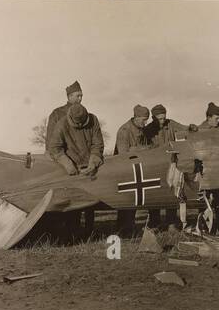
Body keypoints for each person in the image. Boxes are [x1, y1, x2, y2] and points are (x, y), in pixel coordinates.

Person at [47, 102, 104, 238]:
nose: (79, 126)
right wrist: (68, 165)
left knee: (92, 202)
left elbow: (98, 143)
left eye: (82, 123)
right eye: (76, 123)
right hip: (72, 168)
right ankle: (73, 234)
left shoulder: (93, 120)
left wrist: (94, 161)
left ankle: (90, 232)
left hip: (90, 166)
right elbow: (54, 148)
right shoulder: (61, 124)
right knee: (74, 204)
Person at [146, 104, 187, 229]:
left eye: (164, 117)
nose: (162, 121)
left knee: (172, 192)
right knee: (154, 193)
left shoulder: (171, 124)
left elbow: (184, 129)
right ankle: (154, 222)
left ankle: (171, 222)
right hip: (155, 165)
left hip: (171, 164)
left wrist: (192, 128)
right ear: (153, 118)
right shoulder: (148, 130)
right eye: (159, 118)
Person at [114, 105, 152, 233]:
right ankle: (123, 229)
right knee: (126, 202)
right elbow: (123, 154)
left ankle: (129, 227)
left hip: (136, 169)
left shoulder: (142, 129)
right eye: (143, 119)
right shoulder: (124, 131)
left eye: (147, 119)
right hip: (124, 171)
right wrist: (144, 149)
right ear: (136, 117)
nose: (145, 122)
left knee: (134, 201)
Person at [46, 81, 83, 148]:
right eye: (78, 96)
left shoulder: (83, 114)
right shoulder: (57, 113)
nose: (80, 99)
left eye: (81, 96)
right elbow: (50, 138)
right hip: (62, 155)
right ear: (70, 96)